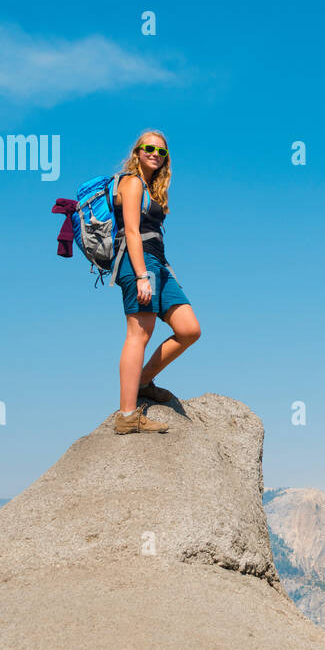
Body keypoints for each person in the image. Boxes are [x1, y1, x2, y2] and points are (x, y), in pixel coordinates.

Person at [111, 130, 201, 434]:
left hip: (159, 264)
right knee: (139, 334)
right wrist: (140, 276)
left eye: (161, 152)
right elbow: (133, 232)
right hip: (138, 263)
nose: (155, 154)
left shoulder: (152, 188)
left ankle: (143, 382)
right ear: (137, 151)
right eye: (149, 149)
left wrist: (160, 270)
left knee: (189, 329)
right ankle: (126, 415)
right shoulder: (132, 182)